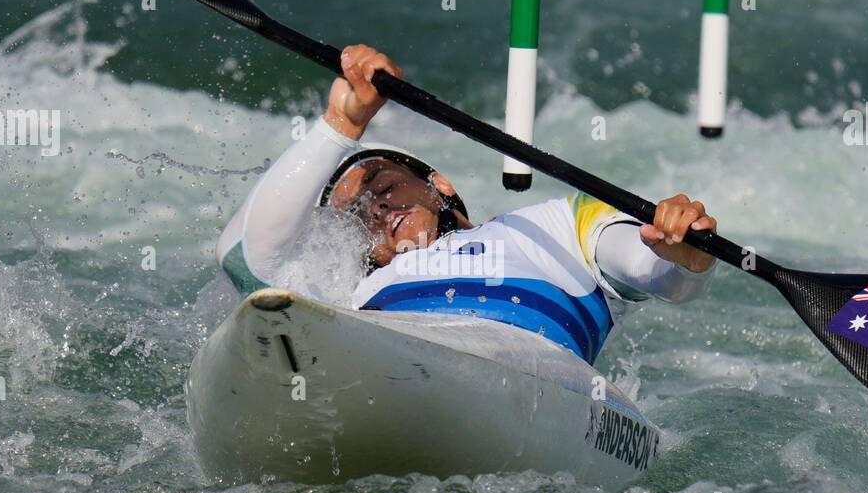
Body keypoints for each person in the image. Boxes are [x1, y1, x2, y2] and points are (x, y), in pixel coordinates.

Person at [216, 45, 717, 364]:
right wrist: (339, 126)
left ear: (438, 185)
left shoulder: (554, 224)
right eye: (357, 213)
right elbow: (243, 258)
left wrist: (682, 254)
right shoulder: (350, 298)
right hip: (392, 369)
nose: (375, 208)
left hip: (541, 378)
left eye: (384, 186)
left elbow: (654, 271)